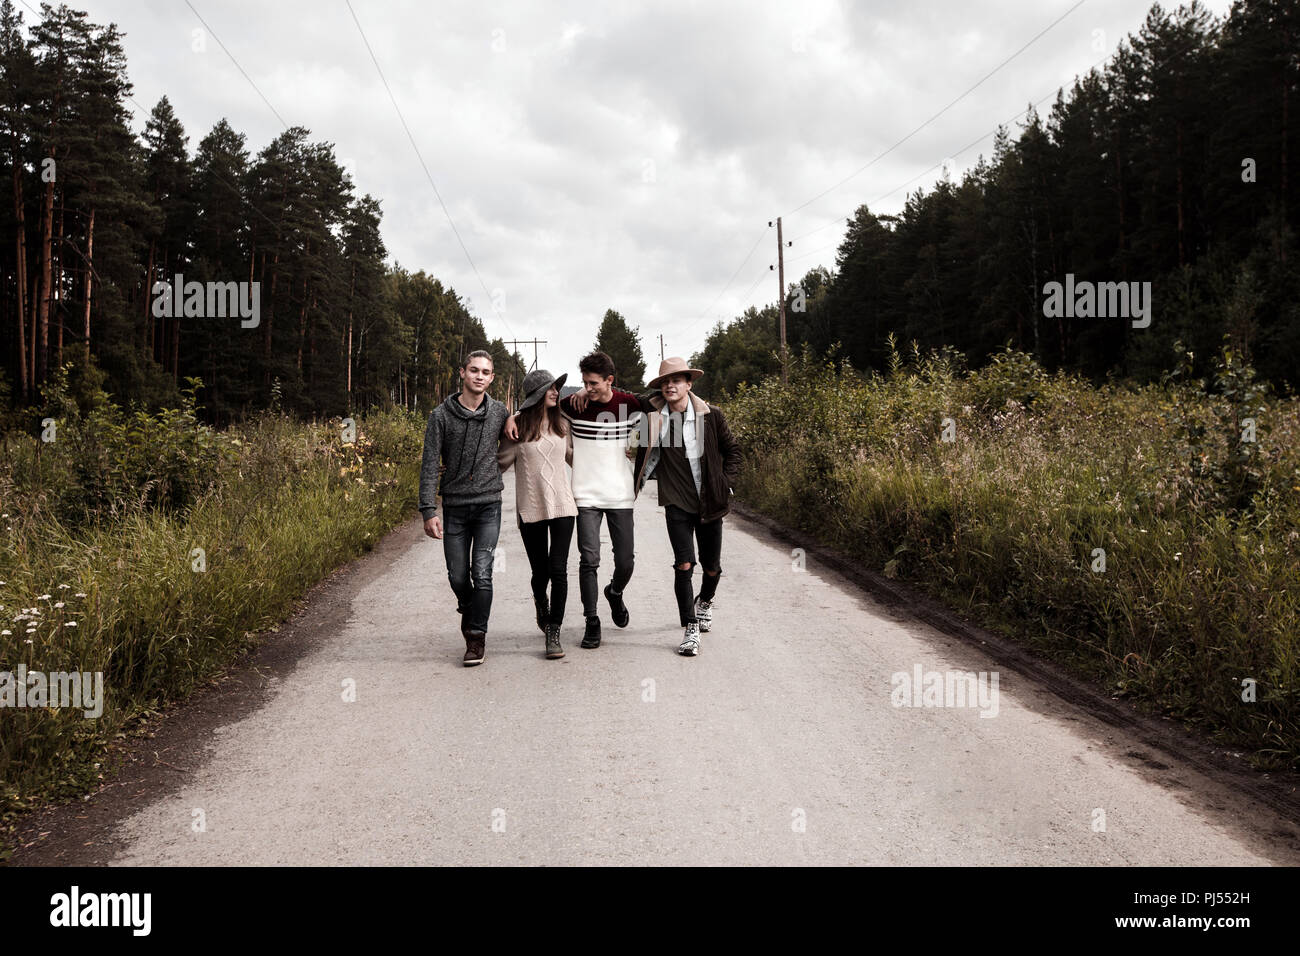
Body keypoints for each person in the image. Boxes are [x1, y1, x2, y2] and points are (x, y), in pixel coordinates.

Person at [504, 350, 652, 649]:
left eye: (593, 382)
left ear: (610, 380)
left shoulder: (629, 405)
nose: (587, 387)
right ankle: (592, 621)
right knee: (589, 560)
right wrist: (511, 415)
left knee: (625, 561)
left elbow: (659, 400)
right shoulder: (572, 405)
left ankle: (615, 592)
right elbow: (538, 407)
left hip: (620, 494)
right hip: (583, 495)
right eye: (584, 381)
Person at [633, 357, 743, 656]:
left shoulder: (712, 416)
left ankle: (705, 602)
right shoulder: (652, 417)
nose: (670, 385)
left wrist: (726, 483)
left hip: (709, 501)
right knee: (684, 564)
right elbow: (638, 451)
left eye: (677, 380)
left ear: (688, 384)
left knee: (712, 568)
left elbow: (732, 451)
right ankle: (690, 627)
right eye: (665, 382)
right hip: (676, 502)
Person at [418, 350, 512, 667]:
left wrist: (515, 419)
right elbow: (430, 464)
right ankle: (467, 605)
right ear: (462, 373)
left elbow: (524, 419)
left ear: (492, 378)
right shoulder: (440, 416)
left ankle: (476, 637)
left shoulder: (499, 412)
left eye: (486, 372)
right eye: (474, 370)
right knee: (458, 576)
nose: (479, 376)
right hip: (455, 508)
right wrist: (428, 510)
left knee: (482, 574)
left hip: (488, 505)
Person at [497, 369, 577, 660]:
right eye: (550, 388)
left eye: (557, 387)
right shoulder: (516, 428)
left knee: (559, 569)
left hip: (564, 507)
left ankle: (553, 630)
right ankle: (540, 599)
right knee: (540, 571)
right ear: (536, 395)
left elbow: (577, 459)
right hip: (530, 509)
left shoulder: (562, 424)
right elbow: (499, 464)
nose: (556, 392)